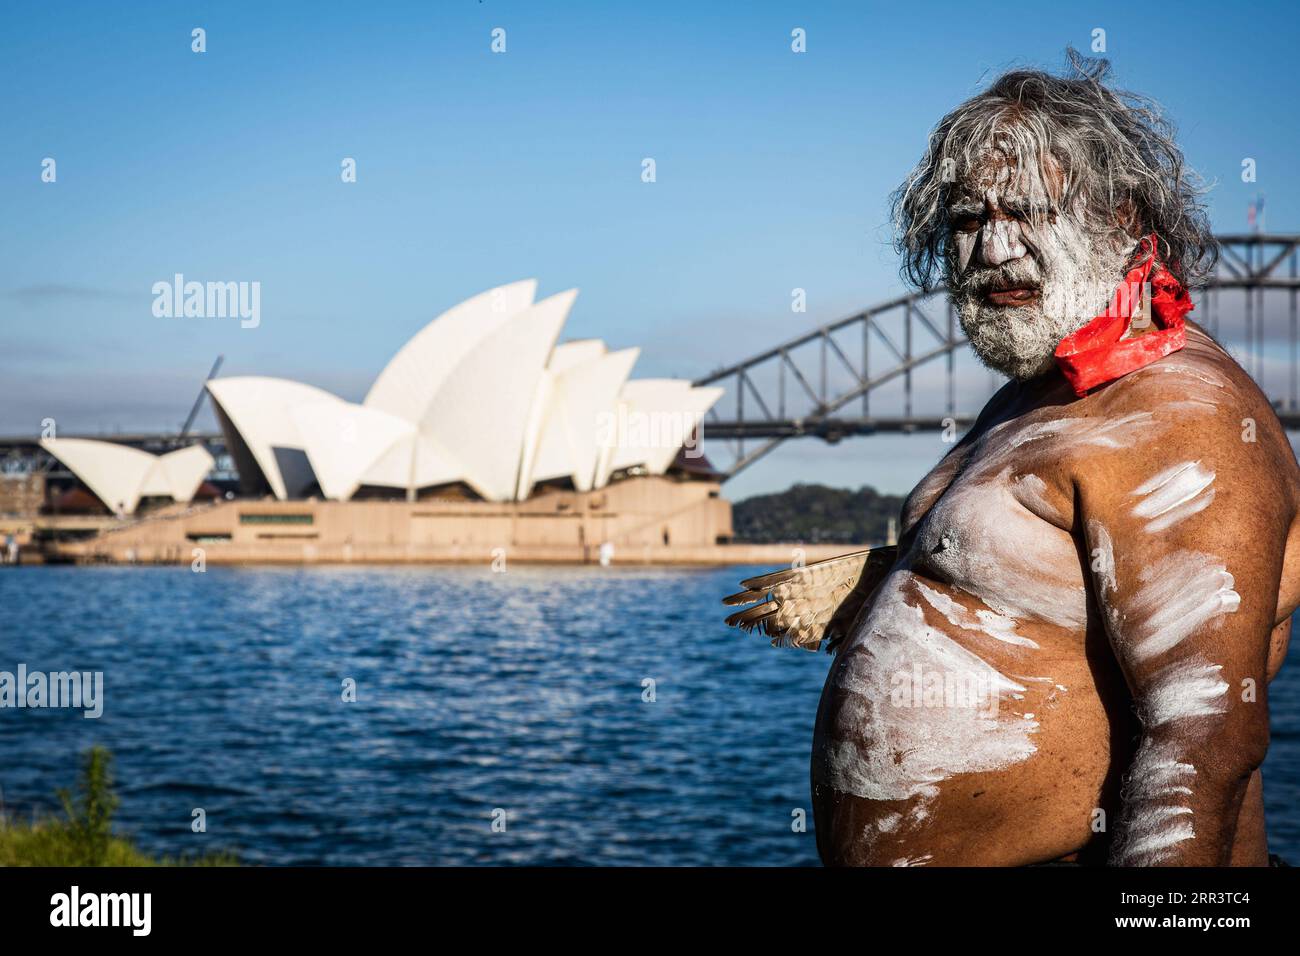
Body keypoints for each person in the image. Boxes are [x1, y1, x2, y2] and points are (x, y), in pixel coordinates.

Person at [726, 52, 1298, 866]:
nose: (993, 249)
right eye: (966, 221)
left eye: (1028, 213)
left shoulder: (1179, 421)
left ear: (1119, 220)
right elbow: (1055, 576)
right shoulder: (1037, 395)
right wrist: (891, 576)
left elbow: (1203, 737)